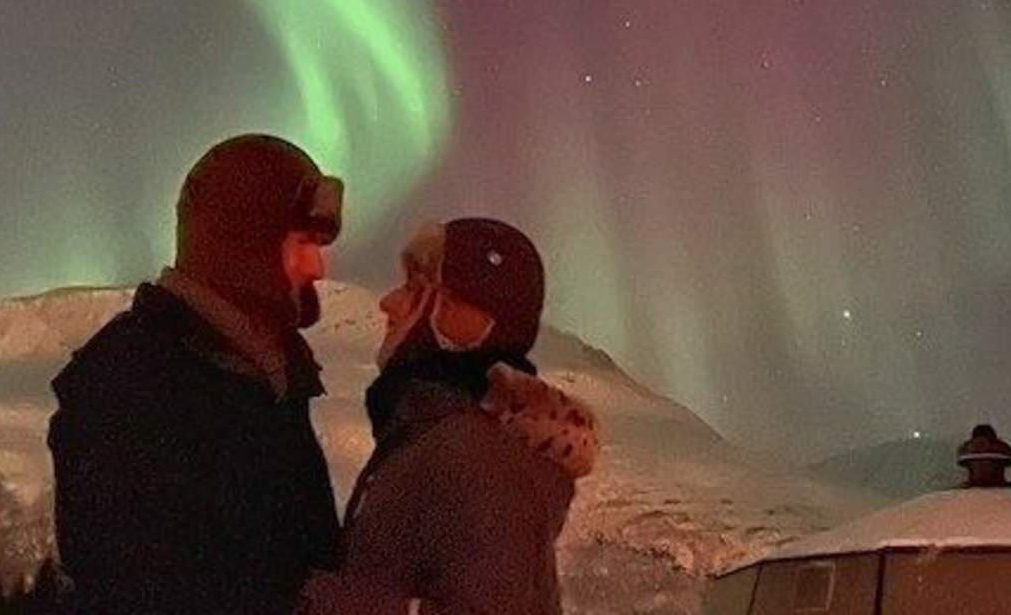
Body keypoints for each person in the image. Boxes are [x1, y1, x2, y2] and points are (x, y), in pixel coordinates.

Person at [49, 133, 345, 613]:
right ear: (246, 241)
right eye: (303, 242)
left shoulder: (265, 377)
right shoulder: (134, 383)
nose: (318, 266)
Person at [299, 218, 599, 615]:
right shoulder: (439, 436)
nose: (389, 302)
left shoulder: (477, 458)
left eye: (413, 289)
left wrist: (334, 604)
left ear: (460, 318)